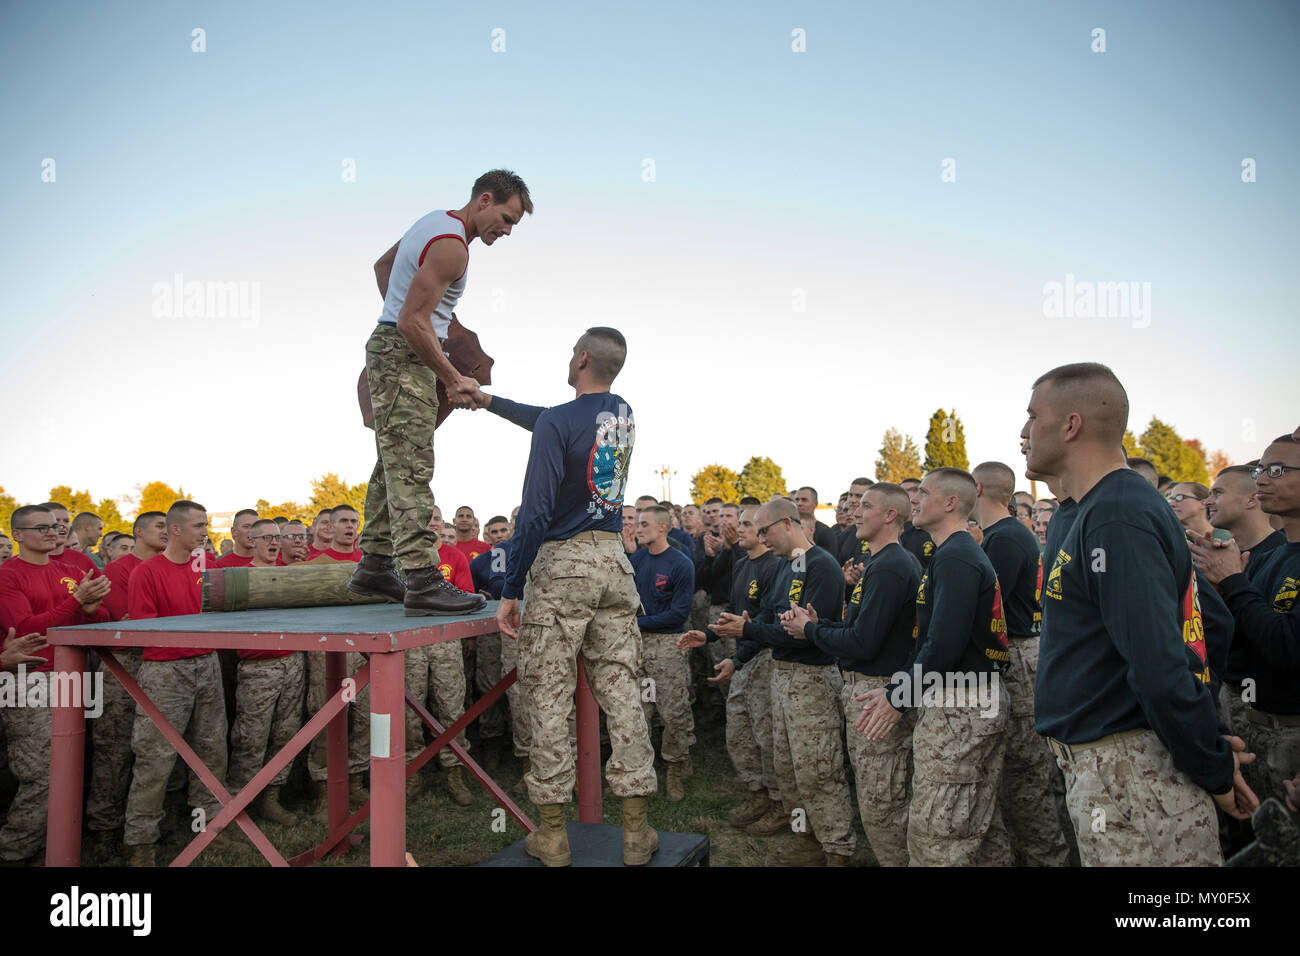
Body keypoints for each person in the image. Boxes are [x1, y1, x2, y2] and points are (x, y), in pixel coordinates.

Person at [1022, 362, 1254, 867]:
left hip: (1132, 770)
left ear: (1071, 424)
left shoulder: (1118, 512)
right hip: (1110, 768)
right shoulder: (1086, 510)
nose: (1024, 432)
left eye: (1033, 416)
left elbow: (1160, 665)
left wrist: (1211, 764)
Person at [477, 326, 659, 867]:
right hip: (613, 563)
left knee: (548, 697)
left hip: (563, 566)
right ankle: (636, 833)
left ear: (580, 357)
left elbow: (534, 512)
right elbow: (554, 420)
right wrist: (488, 401)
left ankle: (553, 835)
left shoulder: (560, 421)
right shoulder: (622, 412)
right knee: (622, 693)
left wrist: (512, 588)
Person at [351, 170, 529, 615]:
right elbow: (413, 320)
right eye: (506, 219)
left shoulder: (434, 221)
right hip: (404, 354)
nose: (507, 231)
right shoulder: (453, 248)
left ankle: (375, 563)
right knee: (412, 466)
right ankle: (423, 579)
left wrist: (406, 316)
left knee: (394, 460)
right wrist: (451, 376)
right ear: (484, 200)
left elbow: (383, 268)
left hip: (394, 348)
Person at [858, 469, 1012, 867]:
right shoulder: (950, 553)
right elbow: (931, 640)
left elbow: (944, 644)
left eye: (923, 493)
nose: (914, 500)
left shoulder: (957, 556)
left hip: (963, 703)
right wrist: (897, 688)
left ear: (950, 503)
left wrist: (899, 698)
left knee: (937, 836)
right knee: (976, 825)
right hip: (966, 697)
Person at [782, 483, 921, 866]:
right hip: (870, 689)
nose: (855, 513)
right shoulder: (879, 563)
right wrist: (818, 624)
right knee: (880, 802)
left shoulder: (891, 566)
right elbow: (858, 629)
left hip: (878, 692)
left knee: (883, 807)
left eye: (866, 507)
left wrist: (811, 631)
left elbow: (863, 643)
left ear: (890, 515)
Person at [718, 498, 854, 866]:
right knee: (788, 769)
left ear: (788, 524)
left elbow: (807, 635)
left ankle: (837, 850)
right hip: (781, 676)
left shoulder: (822, 566)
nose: (761, 538)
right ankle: (805, 838)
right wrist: (736, 651)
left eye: (765, 531)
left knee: (818, 771)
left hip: (812, 680)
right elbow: (768, 617)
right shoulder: (784, 565)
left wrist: (749, 630)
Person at [1190, 436, 1300, 807]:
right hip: (1255, 727)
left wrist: (1234, 581)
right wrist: (1219, 591)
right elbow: (1243, 645)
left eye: (1277, 470)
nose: (1262, 479)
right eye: (1260, 470)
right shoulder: (1272, 557)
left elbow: (1287, 647)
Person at [123, 500, 233, 867]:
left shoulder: (208, 565)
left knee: (212, 750)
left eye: (205, 525)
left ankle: (209, 829)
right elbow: (144, 630)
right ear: (175, 529)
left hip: (207, 663)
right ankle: (141, 844)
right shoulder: (147, 572)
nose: (205, 532)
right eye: (199, 526)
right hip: (165, 670)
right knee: (155, 756)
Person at [0, 505, 111, 863]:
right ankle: (16, 851)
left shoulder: (72, 571)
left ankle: (58, 843)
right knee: (40, 772)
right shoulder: (7, 575)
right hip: (29, 678)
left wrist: (90, 609)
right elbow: (28, 631)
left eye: (55, 527)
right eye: (42, 528)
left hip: (73, 672)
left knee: (73, 764)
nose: (53, 532)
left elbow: (100, 620)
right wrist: (77, 602)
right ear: (17, 535)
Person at [972, 461, 1069, 866]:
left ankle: (1048, 857)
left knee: (1027, 773)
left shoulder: (1007, 537)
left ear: (977, 489)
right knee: (1013, 773)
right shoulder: (996, 535)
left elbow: (986, 605)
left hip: (1016, 656)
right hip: (1007, 653)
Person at [680, 504, 783, 832]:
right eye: (739, 523)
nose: (739, 529)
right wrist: (709, 635)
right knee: (739, 731)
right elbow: (734, 618)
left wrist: (741, 652)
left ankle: (780, 803)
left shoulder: (775, 567)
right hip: (744, 655)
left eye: (747, 524)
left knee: (767, 735)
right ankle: (759, 793)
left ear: (764, 532)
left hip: (766, 658)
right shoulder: (741, 564)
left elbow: (766, 621)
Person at [85, 511, 168, 845]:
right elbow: (128, 620)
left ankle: (146, 821)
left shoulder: (170, 566)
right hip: (124, 664)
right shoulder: (119, 570)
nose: (166, 531)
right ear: (139, 532)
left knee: (154, 747)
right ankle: (104, 825)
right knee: (114, 747)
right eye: (159, 526)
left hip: (160, 663)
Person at [1206, 465, 1287, 736]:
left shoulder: (1281, 556)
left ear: (1252, 499)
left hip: (1272, 714)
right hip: (1229, 694)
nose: (1208, 502)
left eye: (1217, 493)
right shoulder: (1222, 557)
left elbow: (1278, 641)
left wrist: (1232, 582)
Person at [630, 505, 696, 802]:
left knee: (673, 711)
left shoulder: (680, 563)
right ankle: (642, 769)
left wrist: (636, 623)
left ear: (662, 527)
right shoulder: (638, 559)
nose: (638, 529)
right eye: (638, 523)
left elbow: (678, 613)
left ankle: (675, 766)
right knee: (641, 710)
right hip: (638, 647)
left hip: (668, 646)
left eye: (644, 524)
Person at [897, 479, 935, 569]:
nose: (913, 500)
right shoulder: (902, 532)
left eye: (912, 490)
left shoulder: (938, 533)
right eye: (901, 491)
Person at [793, 486, 837, 552]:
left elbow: (829, 557)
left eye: (804, 500)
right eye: (797, 500)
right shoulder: (789, 528)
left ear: (815, 503)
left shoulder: (826, 532)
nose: (799, 503)